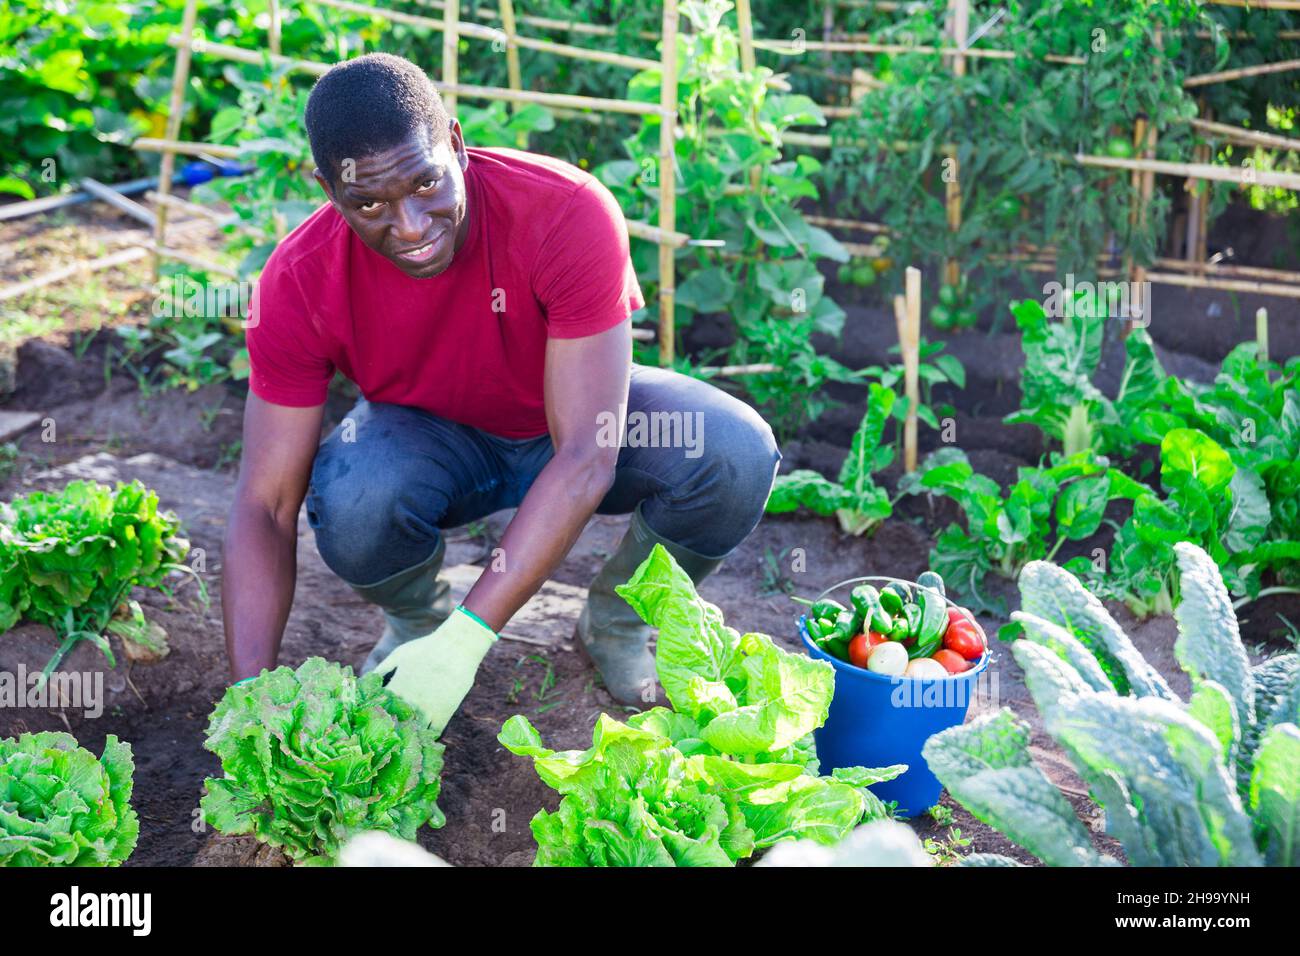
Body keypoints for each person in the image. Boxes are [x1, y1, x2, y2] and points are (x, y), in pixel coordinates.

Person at [222, 52, 779, 734]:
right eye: (367, 202)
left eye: (426, 184)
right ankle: (415, 624)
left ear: (455, 142)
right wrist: (247, 700)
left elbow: (587, 454)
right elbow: (266, 506)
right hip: (431, 440)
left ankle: (616, 622)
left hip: (572, 421)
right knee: (354, 498)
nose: (410, 226)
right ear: (327, 189)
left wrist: (472, 637)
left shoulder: (564, 211)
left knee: (733, 451)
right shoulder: (298, 281)